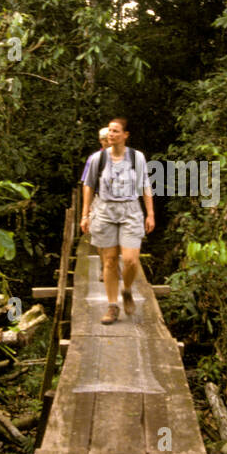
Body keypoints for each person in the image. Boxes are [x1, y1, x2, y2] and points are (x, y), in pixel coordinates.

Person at [80, 117, 155, 324]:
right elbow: (88, 186)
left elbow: (145, 186)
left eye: (115, 131)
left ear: (125, 135)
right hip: (105, 211)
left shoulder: (136, 157)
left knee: (131, 260)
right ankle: (112, 306)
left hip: (130, 210)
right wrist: (85, 214)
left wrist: (150, 213)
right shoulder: (98, 158)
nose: (111, 135)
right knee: (110, 260)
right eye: (109, 131)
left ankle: (127, 289)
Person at [78, 127, 111, 282]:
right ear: (100, 141)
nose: (108, 143)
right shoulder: (94, 159)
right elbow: (87, 185)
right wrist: (86, 211)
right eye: (105, 139)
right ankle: (105, 267)